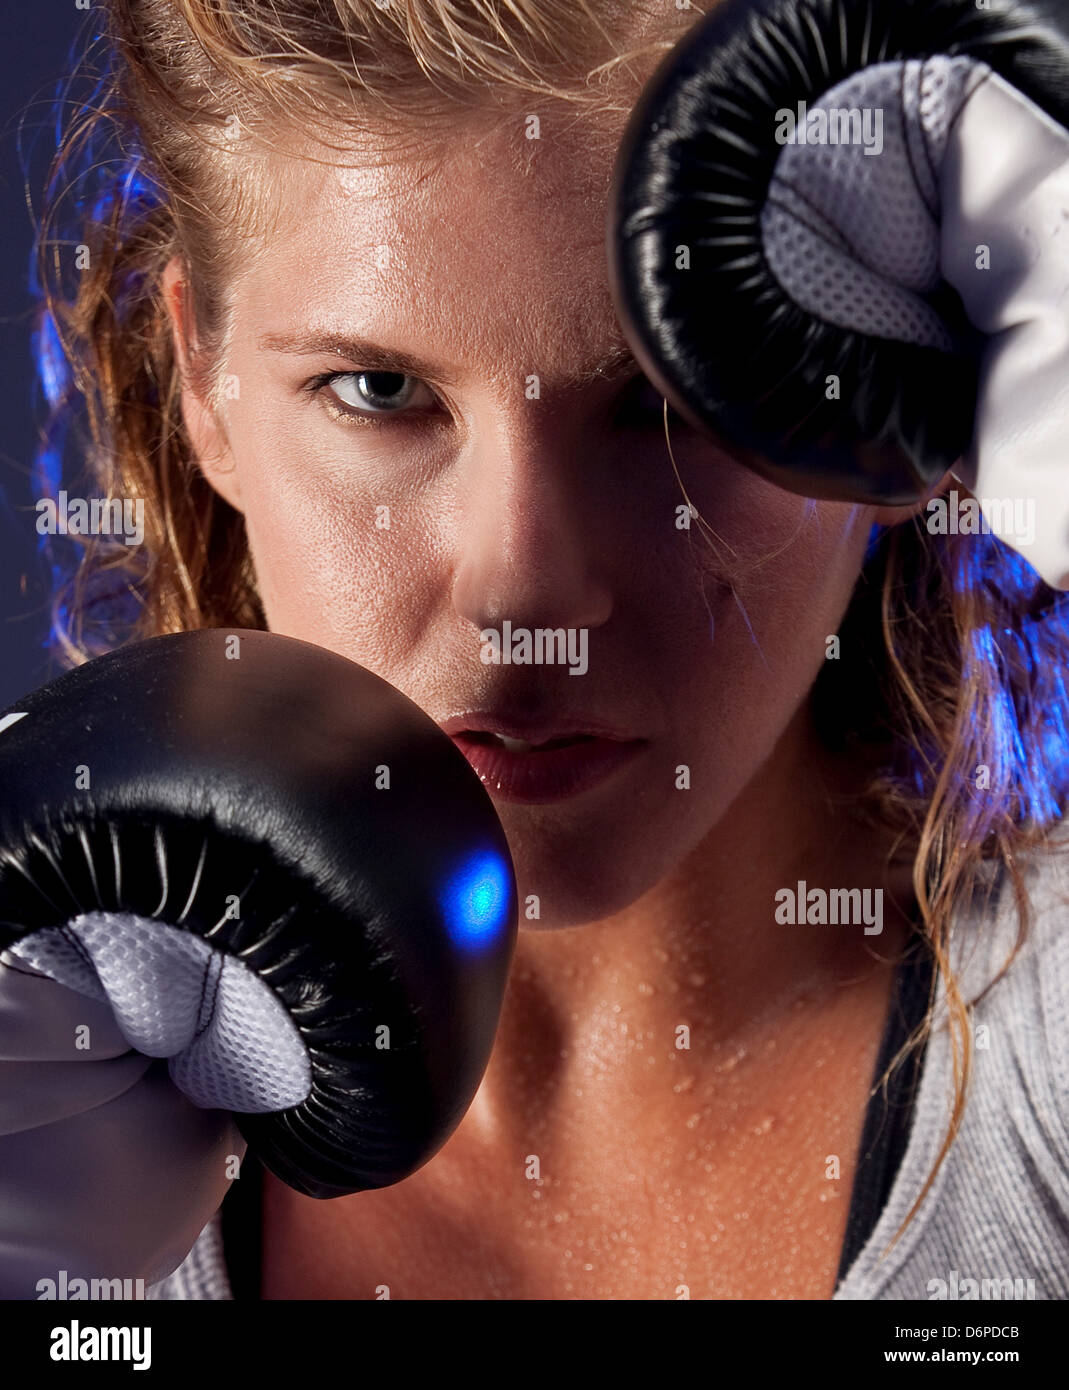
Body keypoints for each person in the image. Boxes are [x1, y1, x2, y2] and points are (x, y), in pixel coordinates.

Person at [29, 0, 1069, 1300]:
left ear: (892, 388)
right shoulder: (47, 1081)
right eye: (379, 391)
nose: (523, 585)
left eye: (665, 402)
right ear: (204, 378)